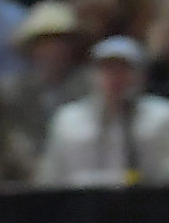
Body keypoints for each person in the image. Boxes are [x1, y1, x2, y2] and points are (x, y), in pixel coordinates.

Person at [36, 35, 169, 185]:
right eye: (108, 69)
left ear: (141, 75)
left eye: (124, 69)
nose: (116, 78)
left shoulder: (162, 117)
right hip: (80, 204)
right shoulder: (67, 121)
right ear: (92, 75)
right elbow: (50, 179)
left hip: (146, 204)